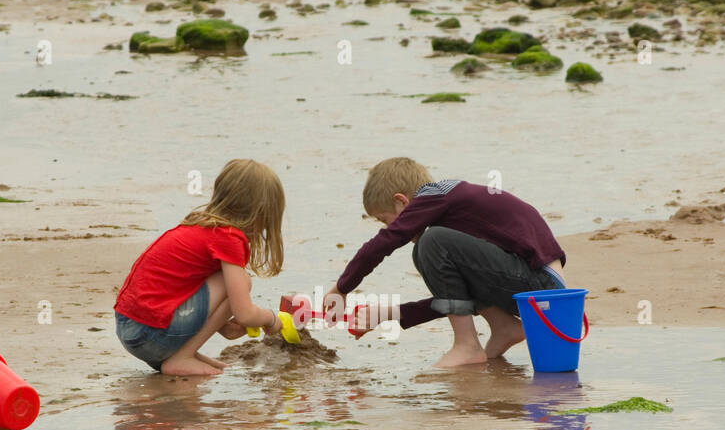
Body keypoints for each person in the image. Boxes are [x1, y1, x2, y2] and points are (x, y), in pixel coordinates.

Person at [323, 157, 567, 367]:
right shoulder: (455, 214)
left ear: (403, 202)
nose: (390, 227)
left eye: (385, 219)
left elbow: (387, 241)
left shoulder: (435, 195)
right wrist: (390, 314)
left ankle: (467, 345)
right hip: (534, 288)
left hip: (543, 286)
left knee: (431, 243)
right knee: (428, 248)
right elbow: (457, 298)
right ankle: (505, 328)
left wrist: (342, 287)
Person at [114, 159, 286, 376]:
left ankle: (185, 354)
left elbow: (181, 287)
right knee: (241, 281)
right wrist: (271, 319)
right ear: (261, 213)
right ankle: (182, 357)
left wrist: (224, 325)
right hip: (150, 334)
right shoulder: (229, 237)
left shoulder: (200, 226)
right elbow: (245, 314)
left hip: (129, 330)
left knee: (229, 281)